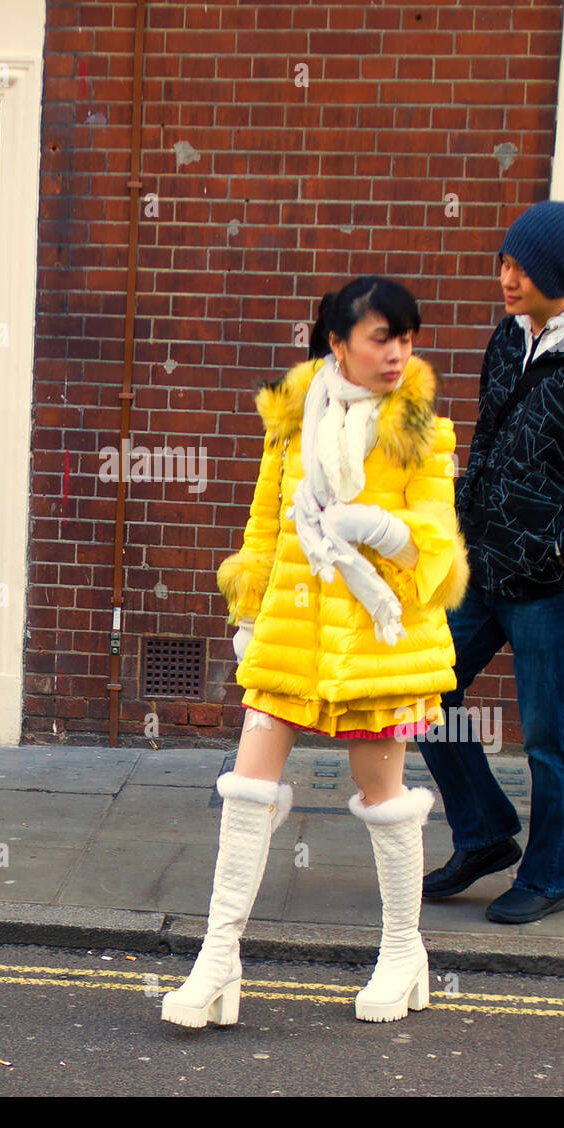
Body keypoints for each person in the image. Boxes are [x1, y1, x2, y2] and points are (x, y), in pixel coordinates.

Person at [161, 276, 470, 1029]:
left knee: (384, 795)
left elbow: (440, 543)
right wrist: (246, 612)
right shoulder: (291, 419)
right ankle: (217, 959)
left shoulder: (422, 429)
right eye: (380, 337)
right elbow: (265, 526)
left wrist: (382, 530)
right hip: (293, 634)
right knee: (247, 785)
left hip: (378, 641)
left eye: (406, 337)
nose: (397, 352)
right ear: (338, 343)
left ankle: (403, 952)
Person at [417, 199, 564, 924]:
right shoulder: (507, 337)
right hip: (485, 565)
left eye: (521, 267)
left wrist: (562, 545)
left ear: (559, 273)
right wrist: (461, 526)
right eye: (504, 260)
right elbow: (486, 439)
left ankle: (547, 877)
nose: (506, 276)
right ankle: (487, 833)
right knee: (419, 694)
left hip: (555, 583)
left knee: (548, 733)